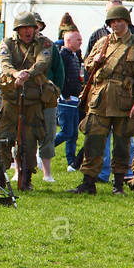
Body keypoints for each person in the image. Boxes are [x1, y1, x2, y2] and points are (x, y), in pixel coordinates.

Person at [69, 4, 134, 195]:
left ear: (127, 23)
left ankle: (119, 184)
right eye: (112, 21)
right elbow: (88, 63)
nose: (115, 25)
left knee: (122, 144)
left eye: (119, 21)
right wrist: (94, 60)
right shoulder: (102, 42)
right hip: (100, 99)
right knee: (93, 141)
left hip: (124, 100)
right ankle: (88, 182)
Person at [0, 12, 54, 192]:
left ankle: (26, 178)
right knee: (4, 137)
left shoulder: (44, 43)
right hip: (11, 99)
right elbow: (5, 63)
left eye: (31, 27)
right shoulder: (7, 43)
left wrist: (27, 73)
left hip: (33, 99)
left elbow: (43, 61)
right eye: (24, 28)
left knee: (30, 139)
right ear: (17, 29)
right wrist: (15, 74)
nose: (28, 31)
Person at [36, 15, 64, 183]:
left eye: (37, 26)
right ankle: (20, 171)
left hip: (47, 97)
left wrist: (56, 91)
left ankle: (47, 173)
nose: (33, 29)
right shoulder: (16, 47)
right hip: (26, 97)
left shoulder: (49, 46)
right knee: (22, 134)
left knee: (48, 133)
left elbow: (59, 70)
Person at [53, 28, 83, 171]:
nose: (81, 42)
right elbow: (61, 77)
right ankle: (43, 151)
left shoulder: (75, 55)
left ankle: (71, 162)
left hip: (75, 99)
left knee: (74, 134)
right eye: (78, 40)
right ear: (69, 41)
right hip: (66, 100)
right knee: (66, 132)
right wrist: (64, 96)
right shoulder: (62, 56)